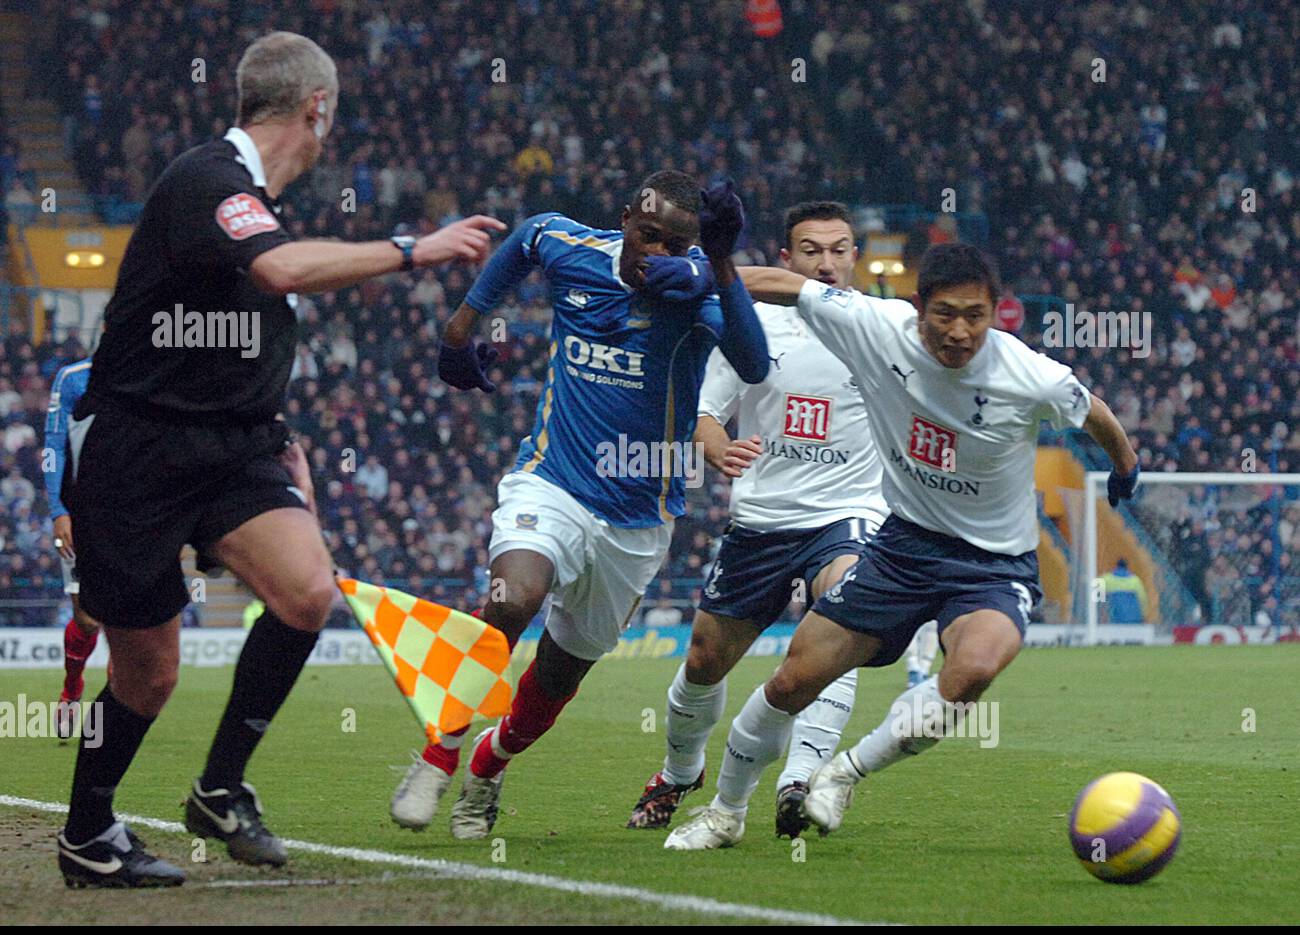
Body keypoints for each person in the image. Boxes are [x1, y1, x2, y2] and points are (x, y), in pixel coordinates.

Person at [57, 30, 503, 888]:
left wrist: (285, 450)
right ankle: (87, 831)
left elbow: (239, 343)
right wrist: (414, 247)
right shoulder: (207, 181)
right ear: (317, 108)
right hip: (138, 451)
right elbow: (280, 270)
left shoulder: (246, 200)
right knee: (149, 675)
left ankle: (220, 788)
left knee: (306, 592)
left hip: (235, 448)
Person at [665, 242, 1140, 849]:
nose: (960, 332)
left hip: (993, 566)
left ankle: (844, 773)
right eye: (945, 314)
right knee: (790, 684)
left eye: (976, 315)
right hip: (901, 550)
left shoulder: (1029, 375)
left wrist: (1126, 464)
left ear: (996, 311)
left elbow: (1093, 412)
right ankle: (725, 813)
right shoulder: (875, 326)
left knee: (974, 668)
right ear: (918, 307)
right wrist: (701, 272)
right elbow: (785, 285)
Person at [389, 172, 769, 839]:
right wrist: (459, 328)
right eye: (648, 234)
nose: (657, 252)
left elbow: (755, 363)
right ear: (624, 220)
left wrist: (718, 266)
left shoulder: (694, 298)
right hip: (552, 481)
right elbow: (528, 235)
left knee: (558, 678)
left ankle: (488, 764)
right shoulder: (574, 251)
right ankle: (438, 752)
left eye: (676, 244)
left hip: (638, 518)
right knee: (512, 599)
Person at [626, 200, 937, 839]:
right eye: (812, 251)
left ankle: (800, 780)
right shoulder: (750, 323)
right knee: (704, 662)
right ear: (787, 258)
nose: (827, 263)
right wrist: (715, 446)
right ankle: (681, 771)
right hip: (762, 521)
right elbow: (704, 411)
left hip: (848, 514)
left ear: (855, 257)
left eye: (839, 250)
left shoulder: (883, 324)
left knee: (838, 629)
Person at [43, 356, 108, 740]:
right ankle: (72, 688)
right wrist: (57, 510)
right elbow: (53, 447)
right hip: (79, 513)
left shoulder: (152, 372)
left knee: (126, 619)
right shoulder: (73, 379)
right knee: (87, 620)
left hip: (133, 513)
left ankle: (117, 707)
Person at [1102, 558, 1148, 623]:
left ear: (1116, 566)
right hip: (1134, 618)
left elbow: (1096, 596)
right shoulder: (1135, 580)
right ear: (1127, 567)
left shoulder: (1106, 579)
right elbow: (1142, 599)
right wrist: (1144, 614)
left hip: (1114, 618)